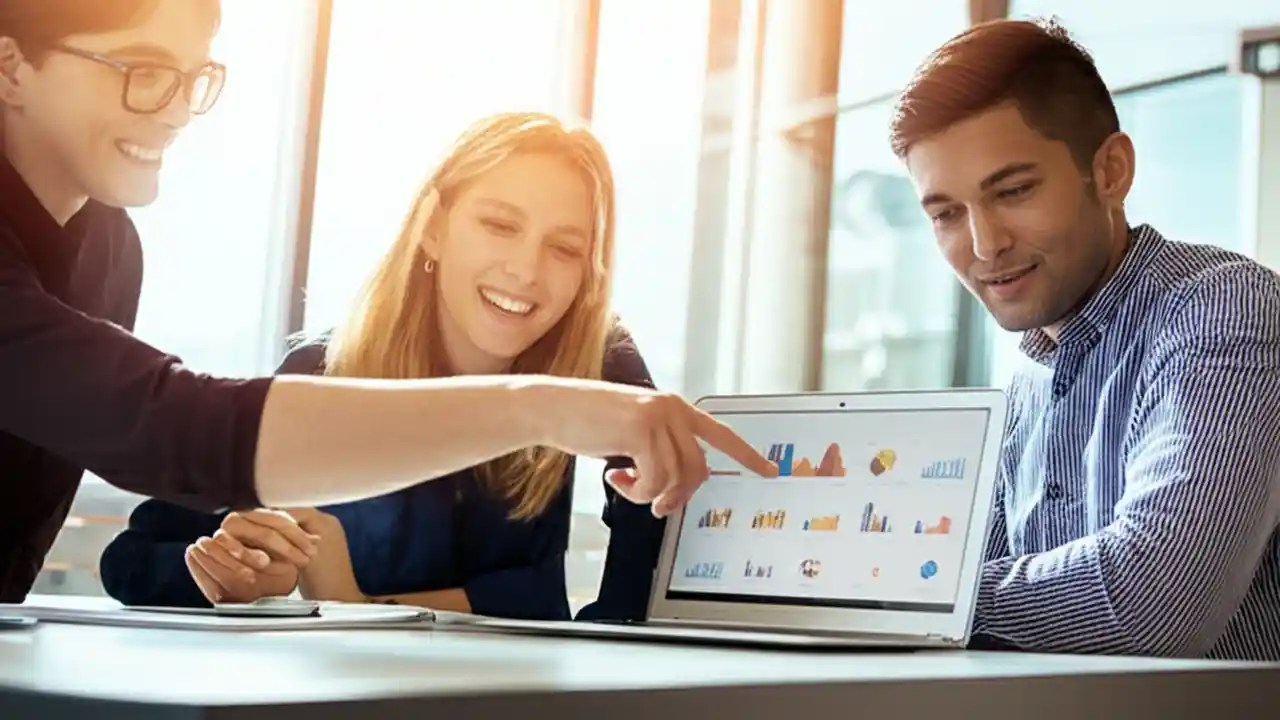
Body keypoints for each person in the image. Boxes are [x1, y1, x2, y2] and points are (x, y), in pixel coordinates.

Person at [0, 0, 774, 603]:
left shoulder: (108, 245)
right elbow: (174, 430)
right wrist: (540, 407)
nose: (173, 107)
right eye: (140, 67)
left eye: (194, 77)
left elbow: (560, 597)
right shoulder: (331, 365)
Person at [99, 113, 655, 619]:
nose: (526, 270)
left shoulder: (596, 364)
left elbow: (620, 597)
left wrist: (352, 601)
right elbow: (134, 561)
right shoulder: (325, 369)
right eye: (500, 226)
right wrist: (238, 577)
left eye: (564, 249)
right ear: (433, 226)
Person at [891, 18, 1280, 660]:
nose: (985, 246)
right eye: (946, 214)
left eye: (1013, 191)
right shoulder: (1024, 388)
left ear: (1112, 171)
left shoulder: (1226, 313)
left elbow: (1153, 603)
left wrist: (903, 594)